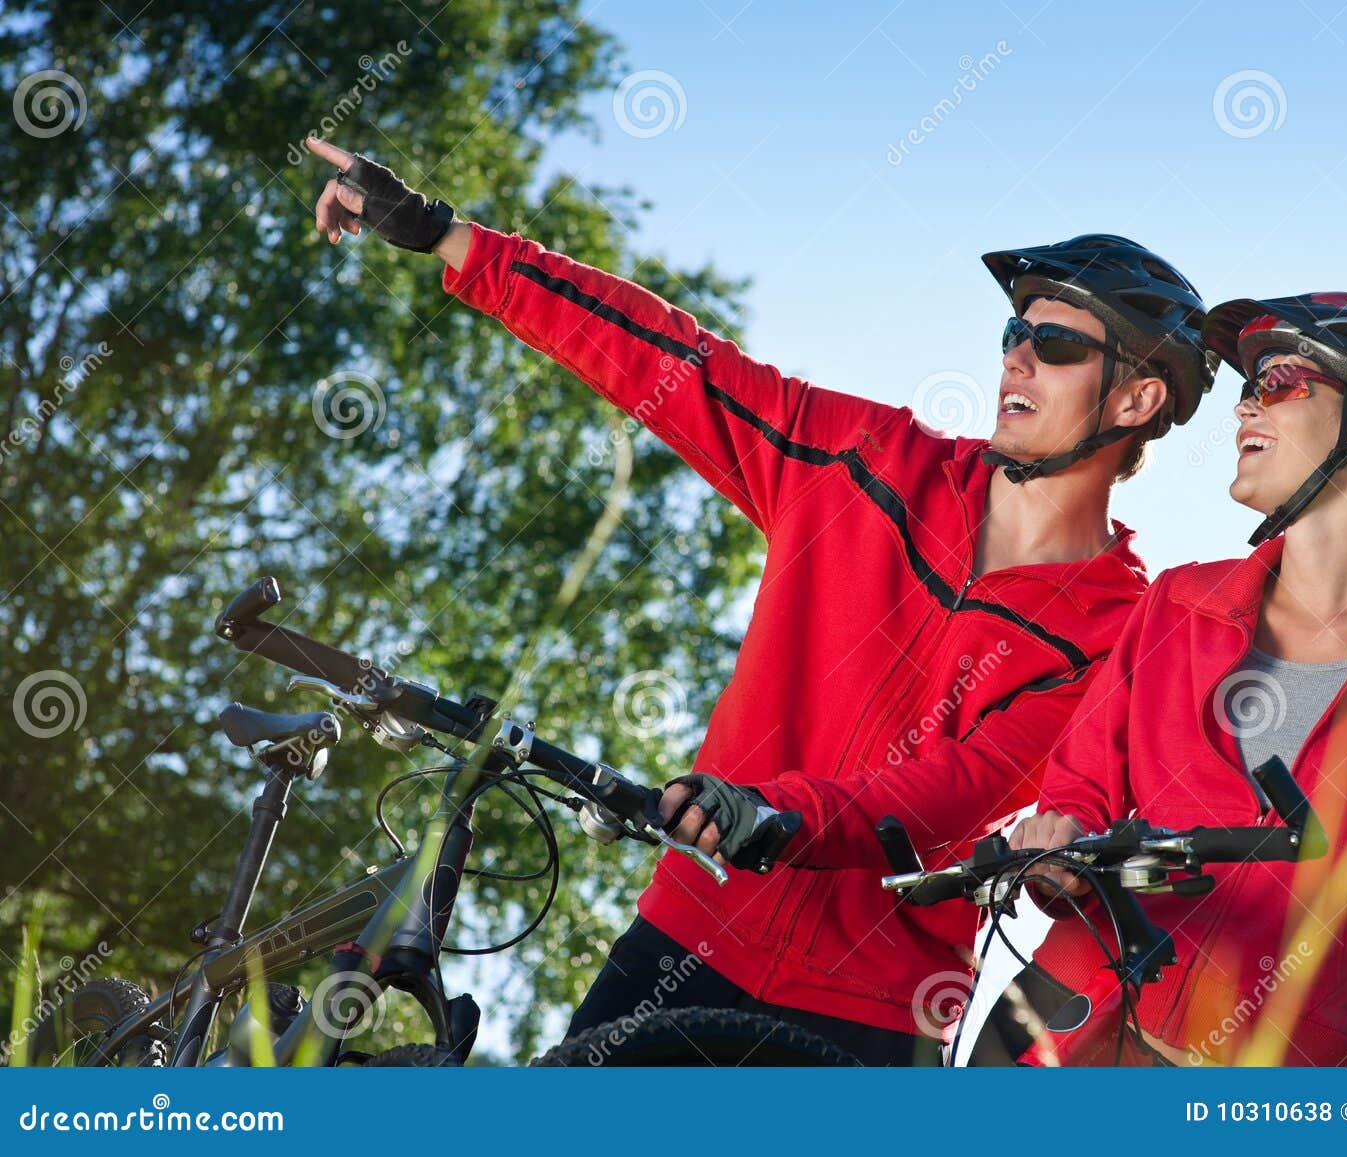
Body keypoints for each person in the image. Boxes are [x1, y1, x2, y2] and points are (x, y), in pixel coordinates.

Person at [304, 136, 1215, 1063]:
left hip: (873, 1011)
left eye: (1055, 343)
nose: (1018, 358)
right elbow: (674, 364)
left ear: (1136, 400)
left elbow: (951, 794)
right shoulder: (866, 462)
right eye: (1014, 334)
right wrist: (447, 237)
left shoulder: (1107, 632)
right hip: (688, 938)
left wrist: (773, 815)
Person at [976, 291, 1347, 1066]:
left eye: (1279, 383)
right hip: (1053, 1028)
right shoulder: (1179, 603)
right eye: (1244, 388)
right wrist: (1057, 841)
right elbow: (1080, 794)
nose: (1244, 410)